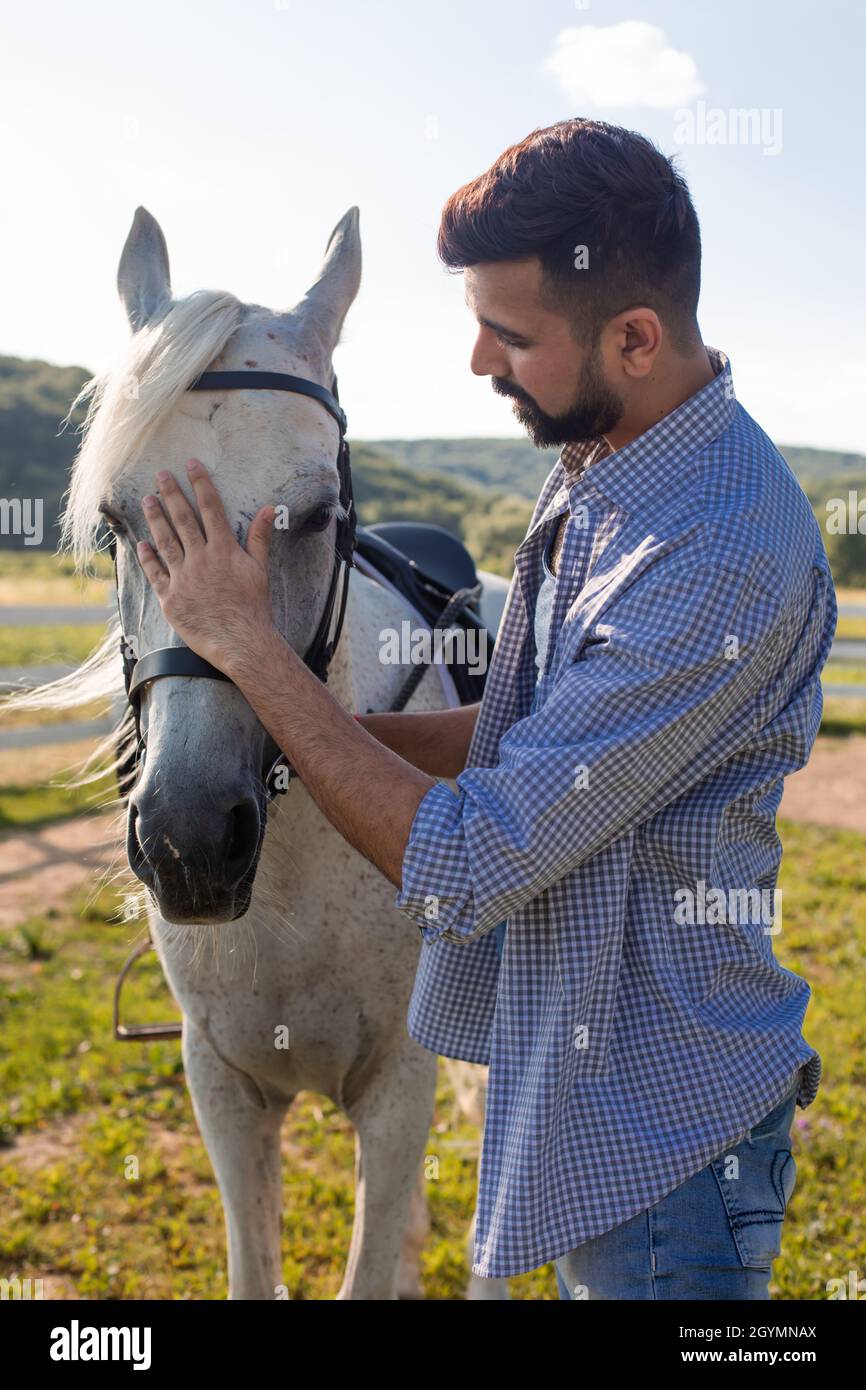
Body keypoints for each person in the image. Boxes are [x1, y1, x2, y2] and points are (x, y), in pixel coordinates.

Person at [136, 118, 836, 1298]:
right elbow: (516, 734)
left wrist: (254, 653)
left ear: (631, 336)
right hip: (589, 1101)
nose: (475, 363)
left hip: (662, 1152)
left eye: (505, 334)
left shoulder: (710, 549)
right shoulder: (609, 474)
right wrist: (266, 727)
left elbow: (468, 863)